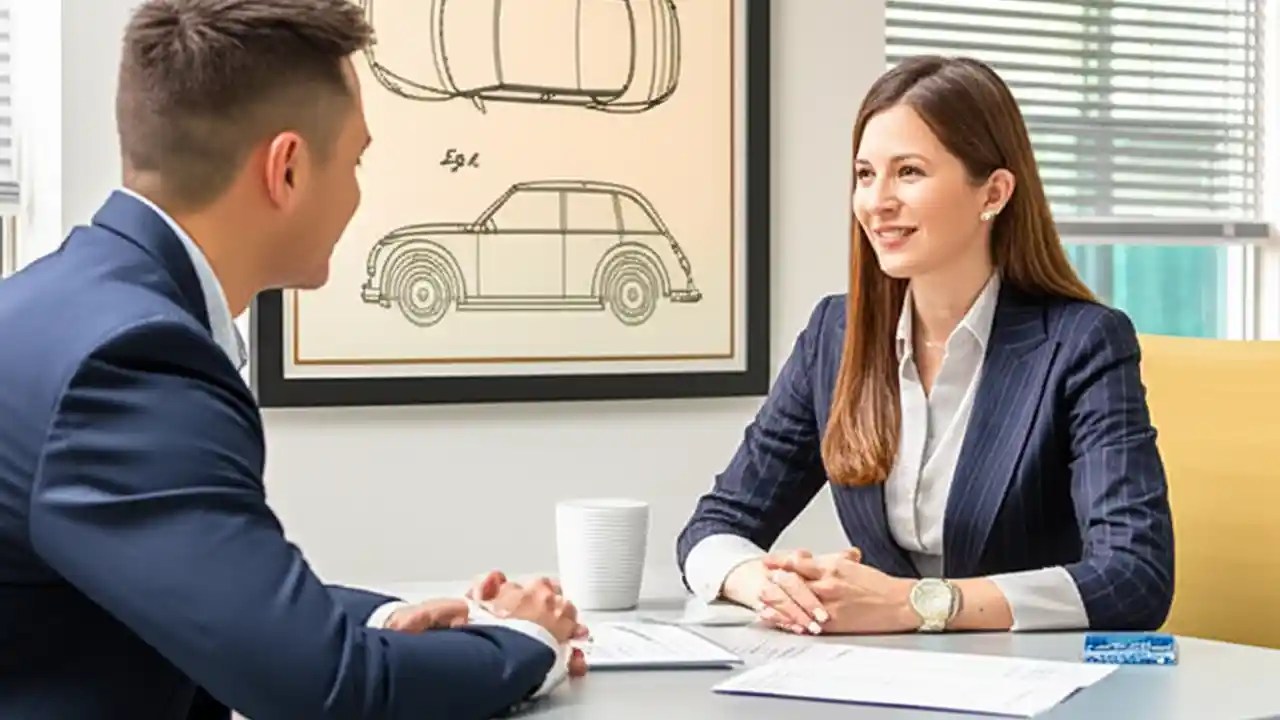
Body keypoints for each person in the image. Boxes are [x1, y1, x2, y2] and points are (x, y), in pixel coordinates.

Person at [0, 1, 587, 718]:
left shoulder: (59, 308)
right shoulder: (132, 364)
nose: (358, 192)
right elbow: (324, 688)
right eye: (356, 160)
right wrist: (528, 643)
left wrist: (385, 618)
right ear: (286, 170)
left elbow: (186, 583)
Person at [675, 55, 1175, 637]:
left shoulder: (1082, 344)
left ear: (994, 192)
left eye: (909, 172)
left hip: (1033, 674)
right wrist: (770, 587)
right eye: (865, 174)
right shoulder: (835, 335)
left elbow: (1134, 577)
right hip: (883, 673)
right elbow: (713, 528)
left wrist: (918, 604)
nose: (876, 201)